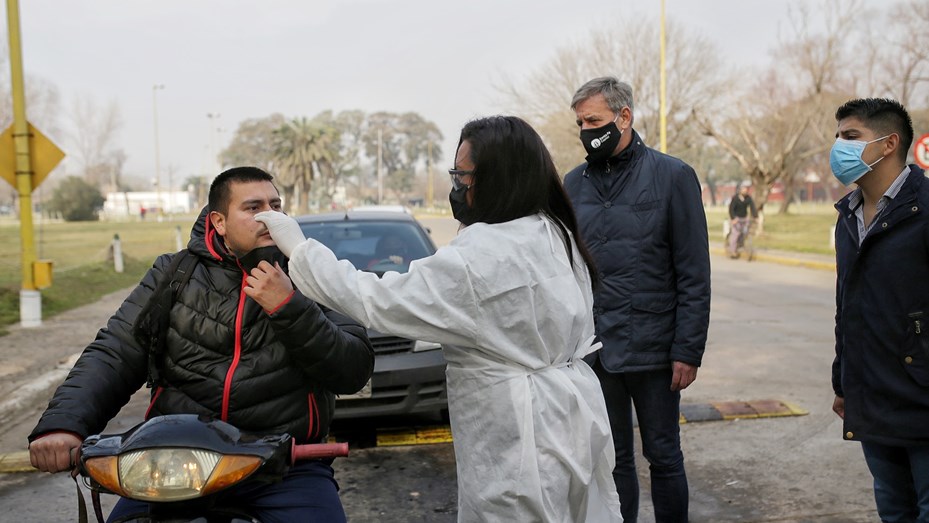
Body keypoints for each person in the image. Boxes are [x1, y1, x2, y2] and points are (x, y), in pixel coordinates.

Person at [256, 116, 623, 522]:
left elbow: (375, 299)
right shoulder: (553, 231)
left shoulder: (479, 256)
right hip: (569, 414)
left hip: (516, 430)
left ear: (496, 179)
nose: (456, 186)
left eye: (461, 176)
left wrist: (300, 249)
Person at [27, 166, 374, 522]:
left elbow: (353, 370)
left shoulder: (309, 273)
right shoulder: (174, 272)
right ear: (219, 222)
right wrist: (63, 425)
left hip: (284, 466)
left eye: (276, 205)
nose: (270, 217)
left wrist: (289, 308)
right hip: (174, 461)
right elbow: (115, 352)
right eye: (253, 208)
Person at [563, 76, 711, 523]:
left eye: (594, 121)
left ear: (624, 116)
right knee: (612, 461)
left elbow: (693, 272)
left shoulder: (673, 176)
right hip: (597, 352)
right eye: (580, 123)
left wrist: (688, 349)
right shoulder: (573, 184)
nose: (586, 130)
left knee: (664, 455)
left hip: (655, 349)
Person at [829, 98, 929, 523]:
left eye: (851, 137)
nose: (839, 147)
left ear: (889, 144)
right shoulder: (848, 215)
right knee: (894, 510)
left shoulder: (924, 207)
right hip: (872, 396)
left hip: (921, 397)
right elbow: (847, 305)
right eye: (838, 137)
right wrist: (843, 381)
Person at [727, 184, 758, 258]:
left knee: (745, 233)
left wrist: (755, 217)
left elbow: (752, 207)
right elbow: (731, 209)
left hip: (744, 218)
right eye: (743, 189)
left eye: (746, 190)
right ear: (740, 190)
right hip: (736, 218)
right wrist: (733, 218)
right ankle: (732, 251)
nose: (745, 191)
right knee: (735, 234)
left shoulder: (748, 198)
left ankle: (741, 245)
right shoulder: (735, 198)